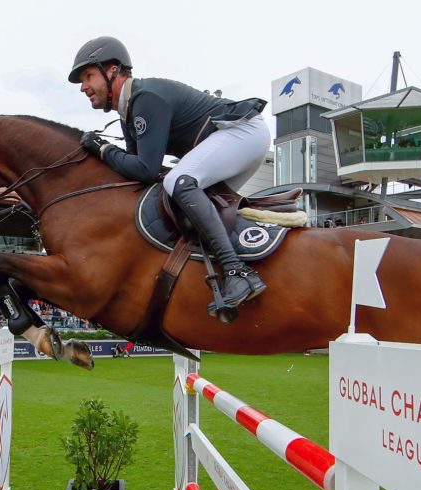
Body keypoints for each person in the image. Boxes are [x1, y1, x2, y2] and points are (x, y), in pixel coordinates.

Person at [69, 36, 272, 318]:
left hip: (242, 133)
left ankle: (237, 270)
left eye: (88, 76)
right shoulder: (128, 113)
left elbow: (145, 169)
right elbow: (134, 173)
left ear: (113, 70)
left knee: (177, 181)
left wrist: (103, 149)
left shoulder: (145, 98)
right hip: (236, 139)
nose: (83, 87)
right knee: (184, 205)